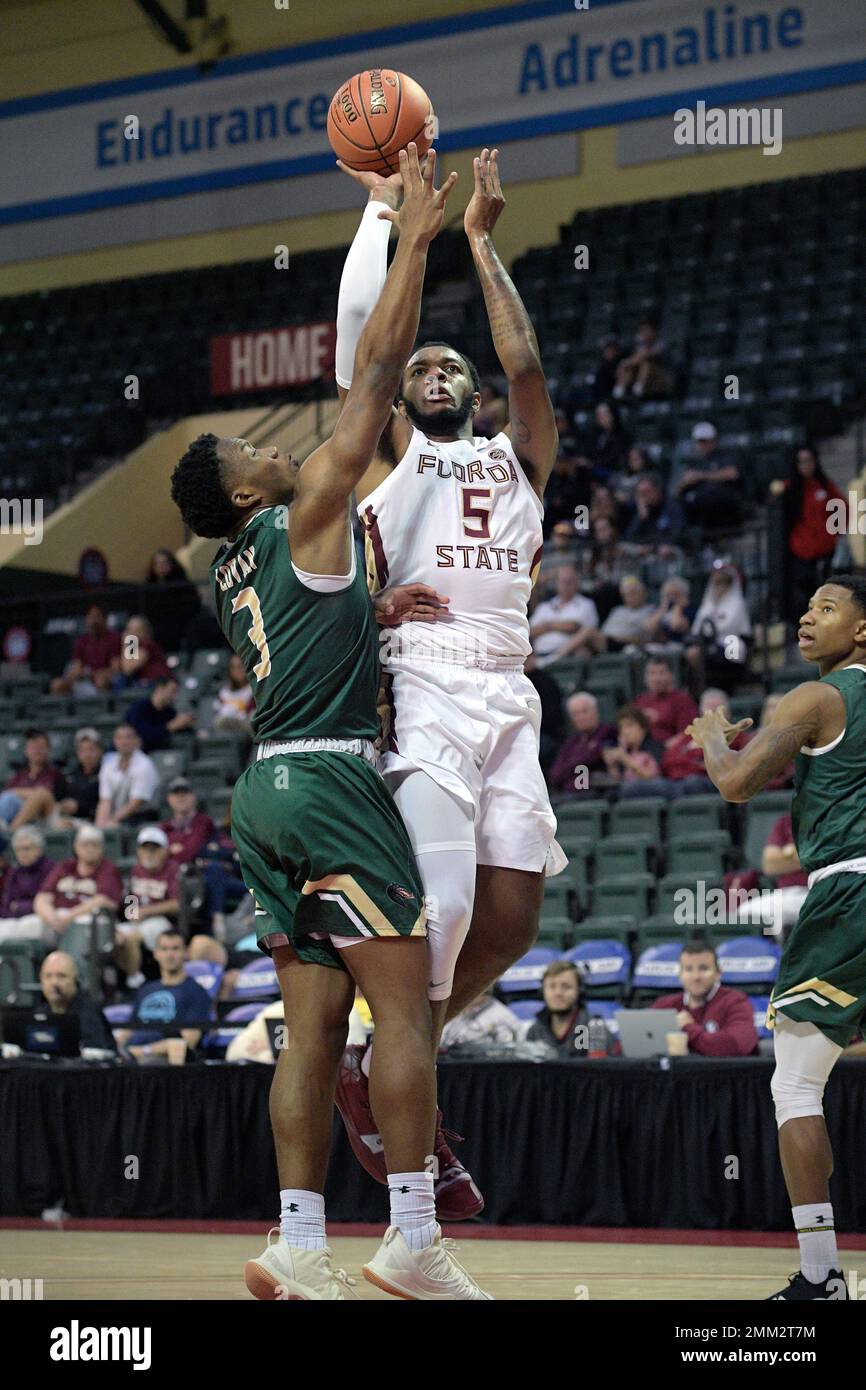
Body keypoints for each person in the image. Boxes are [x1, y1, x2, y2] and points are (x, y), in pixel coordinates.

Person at [171, 145, 488, 1300]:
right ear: (249, 493)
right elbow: (376, 369)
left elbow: (313, 619)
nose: (275, 444)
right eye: (254, 449)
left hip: (262, 796)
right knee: (400, 1007)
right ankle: (412, 1238)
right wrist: (410, 235)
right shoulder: (304, 504)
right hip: (332, 779)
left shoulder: (239, 571)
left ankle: (295, 1242)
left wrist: (370, 595)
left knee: (305, 1025)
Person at [336, 147, 564, 1224]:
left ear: (468, 394)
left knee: (511, 918)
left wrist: (478, 238)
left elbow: (523, 369)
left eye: (447, 368)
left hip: (508, 691)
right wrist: (398, 234)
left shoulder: (516, 456)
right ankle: (406, 1180)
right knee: (444, 916)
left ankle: (384, 1056)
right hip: (422, 681)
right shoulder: (392, 462)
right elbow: (372, 361)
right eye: (419, 368)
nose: (432, 373)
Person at [686, 575, 866, 1299]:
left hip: (849, 891)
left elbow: (735, 783)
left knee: (794, 1085)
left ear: (861, 631)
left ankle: (822, 1277)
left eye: (827, 607)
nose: (805, 615)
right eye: (808, 604)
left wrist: (707, 735)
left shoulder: (818, 697)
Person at [771, 445, 844, 626]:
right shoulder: (790, 488)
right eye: (801, 461)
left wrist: (835, 533)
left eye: (809, 460)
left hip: (825, 549)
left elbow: (842, 506)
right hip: (802, 550)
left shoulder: (824, 485)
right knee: (803, 589)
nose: (806, 465)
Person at [114, 927, 212, 1060]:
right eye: (164, 949)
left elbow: (188, 1042)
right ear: (156, 954)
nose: (169, 955)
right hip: (132, 1057)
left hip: (164, 1060)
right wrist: (114, 1046)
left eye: (175, 949)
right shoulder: (145, 990)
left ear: (186, 953)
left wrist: (143, 1051)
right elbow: (130, 1029)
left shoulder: (196, 992)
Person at [30, 825, 122, 964]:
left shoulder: (107, 868)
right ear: (76, 846)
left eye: (95, 845)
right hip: (56, 918)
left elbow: (103, 901)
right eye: (85, 844)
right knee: (22, 927)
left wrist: (68, 918)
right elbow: (42, 898)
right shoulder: (64, 866)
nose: (90, 848)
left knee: (83, 925)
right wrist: (53, 919)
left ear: (102, 848)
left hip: (89, 919)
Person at [652, 941, 759, 1057]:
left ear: (718, 973)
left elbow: (735, 1045)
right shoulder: (664, 1006)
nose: (696, 977)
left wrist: (687, 1028)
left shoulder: (736, 1002)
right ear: (680, 975)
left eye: (703, 969)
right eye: (688, 969)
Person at [114, 825, 182, 988]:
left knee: (131, 938)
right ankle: (130, 978)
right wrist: (132, 913)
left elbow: (177, 904)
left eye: (155, 849)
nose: (149, 853)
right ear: (139, 851)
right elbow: (130, 897)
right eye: (145, 849)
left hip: (162, 922)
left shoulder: (173, 869)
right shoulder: (136, 870)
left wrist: (147, 911)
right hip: (139, 922)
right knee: (114, 938)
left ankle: (134, 981)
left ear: (165, 850)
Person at [736, 811, 808, 936]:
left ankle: (780, 954)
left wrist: (788, 852)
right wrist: (803, 854)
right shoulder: (787, 820)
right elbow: (769, 865)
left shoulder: (830, 819)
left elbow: (823, 854)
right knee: (745, 912)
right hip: (787, 893)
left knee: (776, 913)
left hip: (817, 890)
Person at [525, 960, 612, 1057]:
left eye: (566, 987)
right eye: (552, 986)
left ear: (579, 990)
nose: (558, 993)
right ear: (542, 991)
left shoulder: (595, 1029)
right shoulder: (535, 1031)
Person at [38, 950, 116, 1052]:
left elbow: (95, 1055)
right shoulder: (39, 1014)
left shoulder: (88, 1014)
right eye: (48, 976)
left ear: (75, 980)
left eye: (61, 976)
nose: (54, 982)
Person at [686, 563, 752, 684]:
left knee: (719, 654)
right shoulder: (708, 604)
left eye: (724, 584)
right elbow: (697, 627)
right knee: (692, 653)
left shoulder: (737, 603)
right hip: (708, 641)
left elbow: (728, 626)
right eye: (717, 584)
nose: (720, 588)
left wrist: (709, 630)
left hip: (733, 640)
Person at [674, 422, 742, 530]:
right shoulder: (694, 462)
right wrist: (685, 483)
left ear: (714, 441)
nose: (702, 445)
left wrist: (701, 475)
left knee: (708, 494)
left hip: (723, 500)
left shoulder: (723, 455)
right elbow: (677, 491)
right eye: (700, 441)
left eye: (705, 441)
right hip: (699, 502)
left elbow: (732, 473)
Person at [548, 692, 616, 797]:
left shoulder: (608, 732)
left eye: (584, 711)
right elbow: (554, 775)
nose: (581, 717)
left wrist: (570, 766)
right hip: (568, 793)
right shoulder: (571, 743)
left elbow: (591, 757)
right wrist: (576, 765)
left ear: (595, 711)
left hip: (594, 792)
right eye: (575, 714)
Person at [529, 563, 598, 665]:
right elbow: (531, 630)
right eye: (563, 581)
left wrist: (547, 625)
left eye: (570, 582)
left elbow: (574, 626)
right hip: (539, 655)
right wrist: (559, 626)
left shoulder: (586, 604)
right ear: (557, 583)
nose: (566, 585)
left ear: (577, 583)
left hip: (570, 656)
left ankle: (552, 659)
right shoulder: (544, 607)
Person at [0, 729, 68, 831]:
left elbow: (46, 798)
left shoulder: (55, 774)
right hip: (14, 815)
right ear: (26, 751)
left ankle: (10, 832)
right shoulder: (20, 775)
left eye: (41, 747)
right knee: (9, 799)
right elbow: (6, 794)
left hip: (42, 819)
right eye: (33, 747)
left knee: (39, 794)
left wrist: (19, 792)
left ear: (48, 750)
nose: (37, 750)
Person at [95, 724, 159, 828]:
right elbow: (105, 800)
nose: (124, 742)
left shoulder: (145, 765)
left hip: (142, 817)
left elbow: (135, 803)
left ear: (137, 740)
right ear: (114, 741)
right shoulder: (108, 763)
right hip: (117, 816)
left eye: (128, 737)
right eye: (119, 738)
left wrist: (111, 821)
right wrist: (99, 826)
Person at [50, 604, 122, 695]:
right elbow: (76, 668)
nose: (93, 621)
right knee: (57, 684)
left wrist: (93, 674)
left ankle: (102, 708)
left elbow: (116, 669)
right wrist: (74, 675)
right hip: (85, 681)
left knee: (101, 680)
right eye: (90, 617)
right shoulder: (81, 641)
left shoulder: (114, 638)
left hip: (105, 681)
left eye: (96, 617)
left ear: (105, 619)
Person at [143, 549, 202, 653]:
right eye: (157, 563)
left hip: (180, 629)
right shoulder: (148, 589)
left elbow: (192, 607)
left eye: (164, 562)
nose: (161, 566)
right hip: (157, 631)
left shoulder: (183, 585)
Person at [0, 825, 53, 937]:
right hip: (13, 920)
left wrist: (18, 907)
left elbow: (43, 902)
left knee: (31, 925)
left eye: (27, 848)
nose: (22, 854)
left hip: (39, 919)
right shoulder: (14, 871)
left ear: (39, 849)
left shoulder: (50, 869)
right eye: (18, 849)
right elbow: (6, 904)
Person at [124, 675, 195, 753]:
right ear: (160, 688)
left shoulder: (169, 712)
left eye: (176, 692)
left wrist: (187, 725)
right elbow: (141, 736)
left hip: (160, 755)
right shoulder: (139, 709)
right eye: (172, 691)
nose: (175, 697)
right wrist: (171, 726)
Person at [602, 705, 663, 795]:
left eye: (629, 725)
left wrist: (625, 759)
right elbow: (618, 782)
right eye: (621, 727)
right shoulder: (625, 751)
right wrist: (612, 765)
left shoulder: (655, 747)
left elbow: (652, 777)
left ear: (643, 728)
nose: (625, 731)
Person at [634, 656, 697, 743]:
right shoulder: (640, 701)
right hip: (642, 751)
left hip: (670, 750)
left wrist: (664, 747)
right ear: (645, 678)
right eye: (652, 673)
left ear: (671, 675)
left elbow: (687, 733)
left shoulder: (682, 700)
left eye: (661, 673)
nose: (657, 678)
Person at [613, 315, 673, 400]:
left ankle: (638, 390)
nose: (644, 334)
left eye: (647, 330)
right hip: (647, 382)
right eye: (642, 331)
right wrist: (627, 364)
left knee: (646, 363)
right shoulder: (640, 345)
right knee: (630, 367)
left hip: (662, 380)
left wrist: (626, 363)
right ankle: (619, 391)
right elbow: (637, 357)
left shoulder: (661, 344)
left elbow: (647, 355)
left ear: (654, 331)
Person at [439, 990, 524, 1048]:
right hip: (452, 1062)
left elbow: (507, 1049)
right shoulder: (454, 1009)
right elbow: (442, 1039)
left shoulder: (500, 1014)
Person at [54, 728, 104, 825]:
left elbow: (106, 803)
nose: (87, 754)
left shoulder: (106, 773)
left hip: (93, 821)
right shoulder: (69, 774)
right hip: (66, 819)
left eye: (91, 749)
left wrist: (79, 806)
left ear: (100, 751)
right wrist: (63, 805)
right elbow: (58, 798)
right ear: (77, 753)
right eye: (83, 750)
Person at [623, 474, 684, 550]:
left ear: (657, 489)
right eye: (640, 494)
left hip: (666, 552)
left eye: (646, 492)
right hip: (645, 553)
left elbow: (676, 535)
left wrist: (653, 547)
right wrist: (641, 518)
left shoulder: (672, 506)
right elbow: (629, 538)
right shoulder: (640, 509)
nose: (643, 497)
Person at [160, 778, 215, 864]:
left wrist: (168, 851)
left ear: (193, 796)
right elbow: (157, 858)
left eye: (185, 792)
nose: (181, 797)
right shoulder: (164, 827)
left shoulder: (204, 822)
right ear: (169, 799)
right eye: (176, 793)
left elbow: (191, 853)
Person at [112, 616, 171, 692]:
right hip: (143, 685)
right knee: (119, 679)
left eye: (137, 630)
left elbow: (128, 669)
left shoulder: (148, 645)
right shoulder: (135, 647)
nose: (131, 633)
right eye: (129, 630)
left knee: (122, 680)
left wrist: (127, 642)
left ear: (145, 632)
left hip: (158, 686)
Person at [644, 576, 695, 651]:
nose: (671, 598)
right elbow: (648, 627)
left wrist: (678, 606)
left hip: (679, 645)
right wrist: (663, 608)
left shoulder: (689, 609)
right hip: (658, 644)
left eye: (676, 595)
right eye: (668, 595)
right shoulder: (661, 609)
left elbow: (676, 625)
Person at [213, 653, 255, 733]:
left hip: (248, 727)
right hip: (228, 727)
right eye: (233, 667)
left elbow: (251, 713)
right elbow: (219, 711)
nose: (237, 671)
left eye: (240, 667)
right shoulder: (224, 692)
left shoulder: (253, 689)